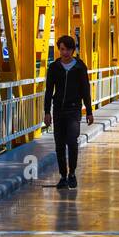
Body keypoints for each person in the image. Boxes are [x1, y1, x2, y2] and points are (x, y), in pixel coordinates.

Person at [43, 34, 94, 189]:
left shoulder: (80, 67)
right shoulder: (54, 67)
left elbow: (85, 90)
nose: (65, 53)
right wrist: (47, 111)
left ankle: (72, 174)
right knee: (59, 144)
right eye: (62, 49)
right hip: (58, 109)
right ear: (59, 49)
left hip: (73, 109)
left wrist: (89, 111)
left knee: (72, 142)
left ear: (73, 51)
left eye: (68, 50)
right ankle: (63, 176)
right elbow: (49, 90)